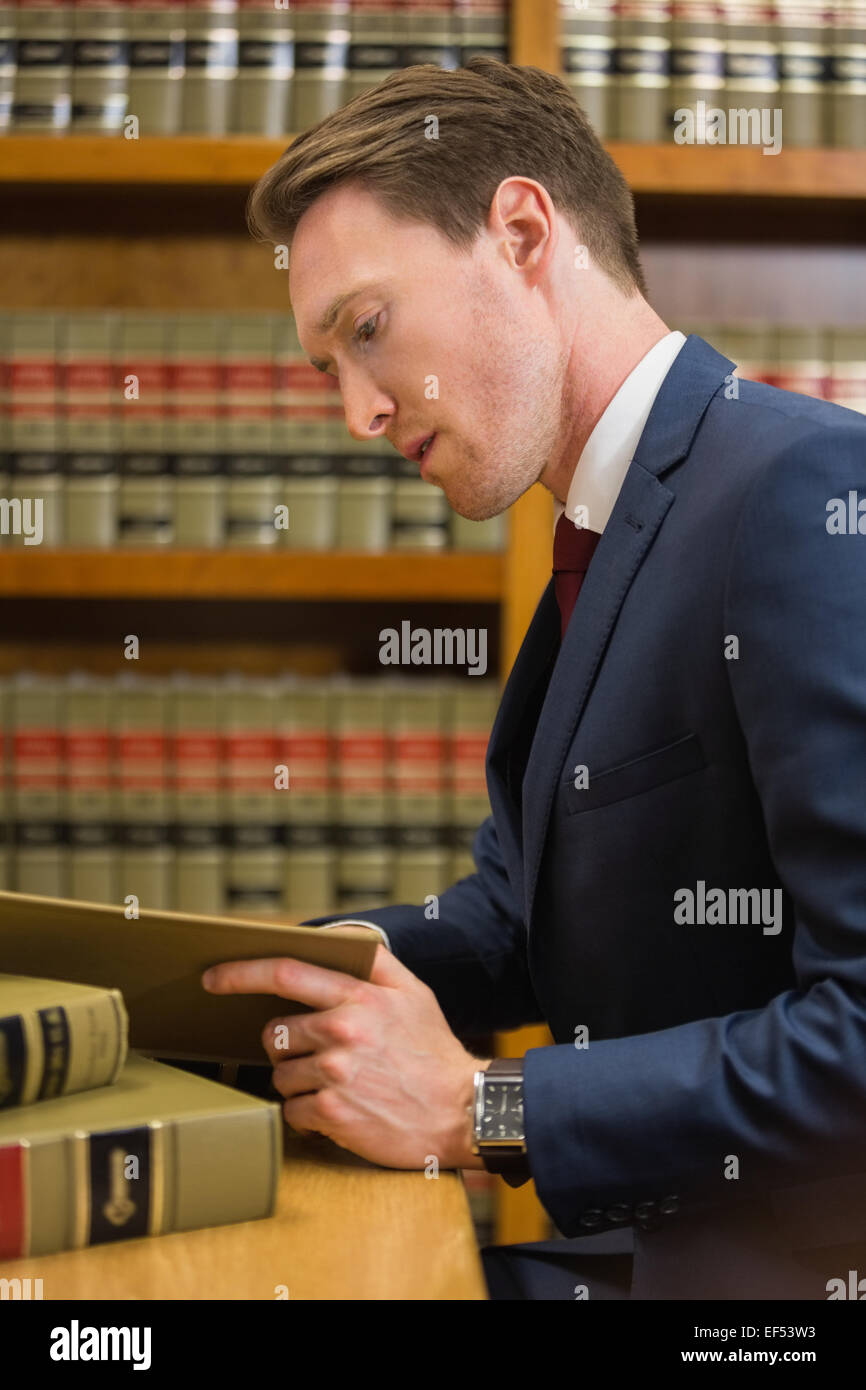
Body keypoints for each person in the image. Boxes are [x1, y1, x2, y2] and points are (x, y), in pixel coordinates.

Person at [201, 57, 866, 1300]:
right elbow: (520, 923)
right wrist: (231, 984)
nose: (355, 410)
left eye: (367, 329)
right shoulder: (603, 537)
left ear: (518, 232)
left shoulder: (796, 497)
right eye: (327, 367)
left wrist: (480, 1108)